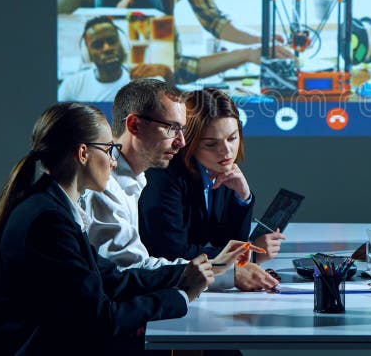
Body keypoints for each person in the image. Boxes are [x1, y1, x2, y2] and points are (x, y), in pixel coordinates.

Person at [0, 102, 246, 354]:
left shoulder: (53, 206)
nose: (112, 160)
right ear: (83, 153)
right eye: (108, 149)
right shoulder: (48, 222)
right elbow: (100, 318)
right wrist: (182, 295)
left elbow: (112, 279)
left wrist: (186, 274)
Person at [82, 79, 278, 291]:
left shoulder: (137, 179)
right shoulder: (103, 187)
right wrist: (224, 274)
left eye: (182, 129)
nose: (182, 142)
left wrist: (223, 267)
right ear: (134, 125)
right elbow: (131, 271)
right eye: (172, 129)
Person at [140, 88, 286, 263]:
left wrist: (243, 196)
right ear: (189, 143)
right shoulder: (164, 177)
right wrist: (247, 255)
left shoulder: (221, 170)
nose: (226, 151)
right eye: (211, 144)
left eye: (232, 138)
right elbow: (172, 252)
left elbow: (224, 241)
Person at [58, 16, 130, 102]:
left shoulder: (138, 82)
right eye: (98, 44)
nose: (107, 49)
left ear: (123, 44)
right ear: (87, 53)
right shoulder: (72, 86)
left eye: (112, 41)